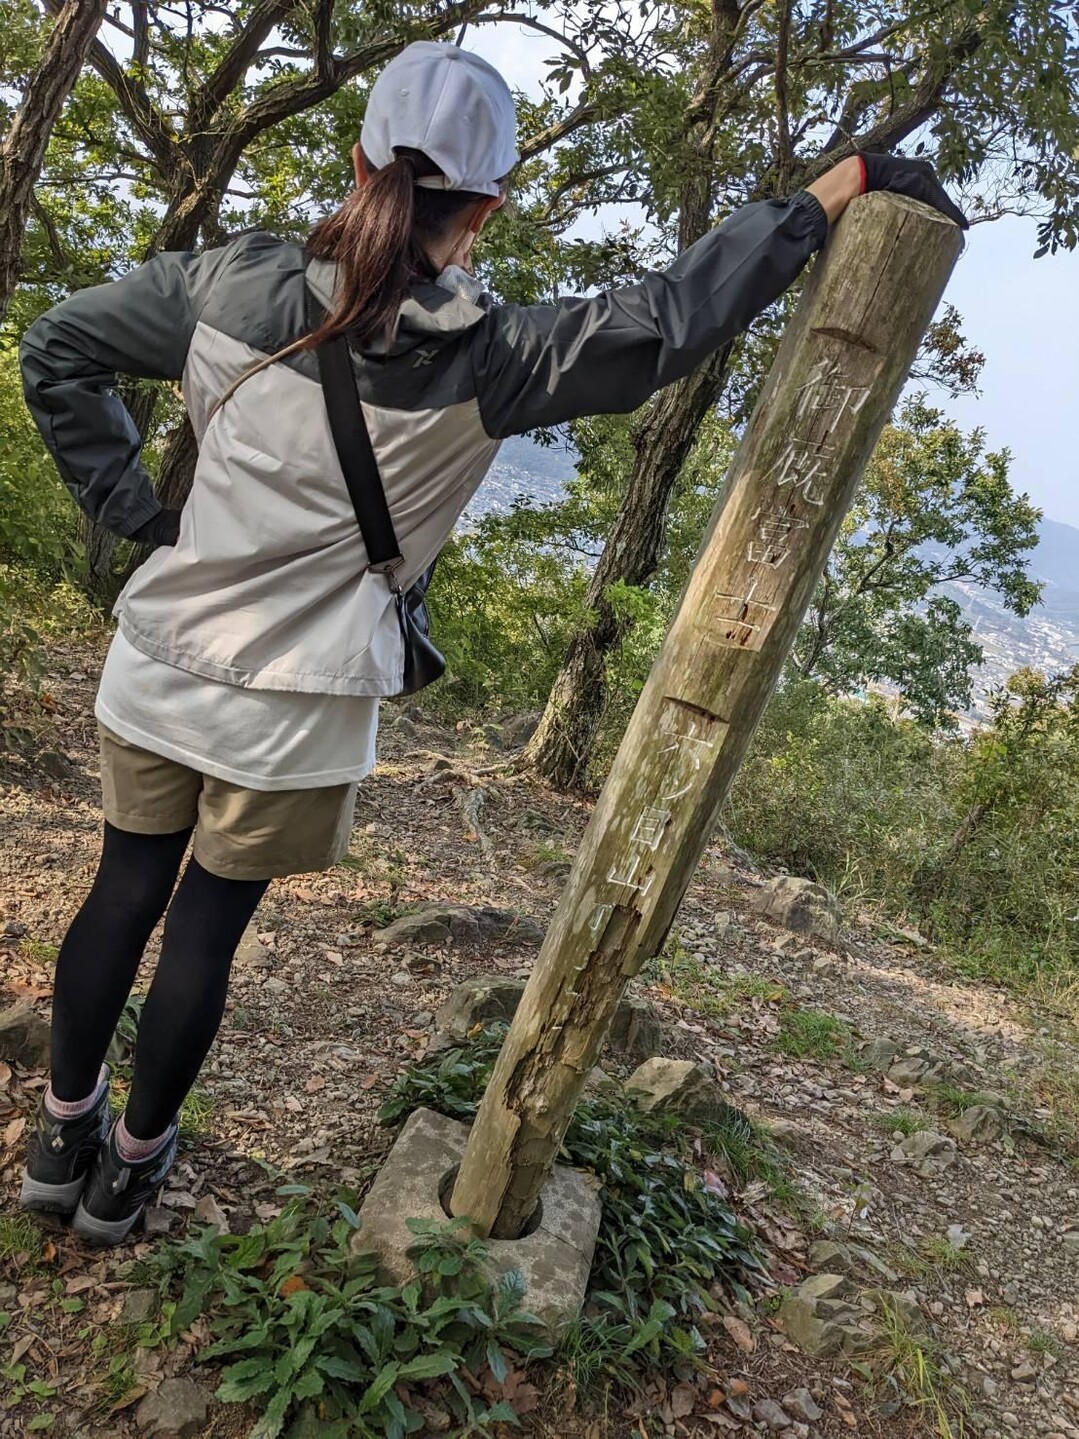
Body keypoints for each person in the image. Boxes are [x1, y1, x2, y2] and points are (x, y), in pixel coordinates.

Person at [17, 41, 965, 1244]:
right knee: (205, 925)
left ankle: (62, 1140)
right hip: (297, 703)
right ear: (487, 208)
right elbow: (672, 317)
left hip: (158, 656)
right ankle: (132, 1168)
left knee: (121, 889)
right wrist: (840, 183)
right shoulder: (497, 359)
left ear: (360, 163)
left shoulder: (225, 286)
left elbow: (57, 344)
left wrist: (136, 514)